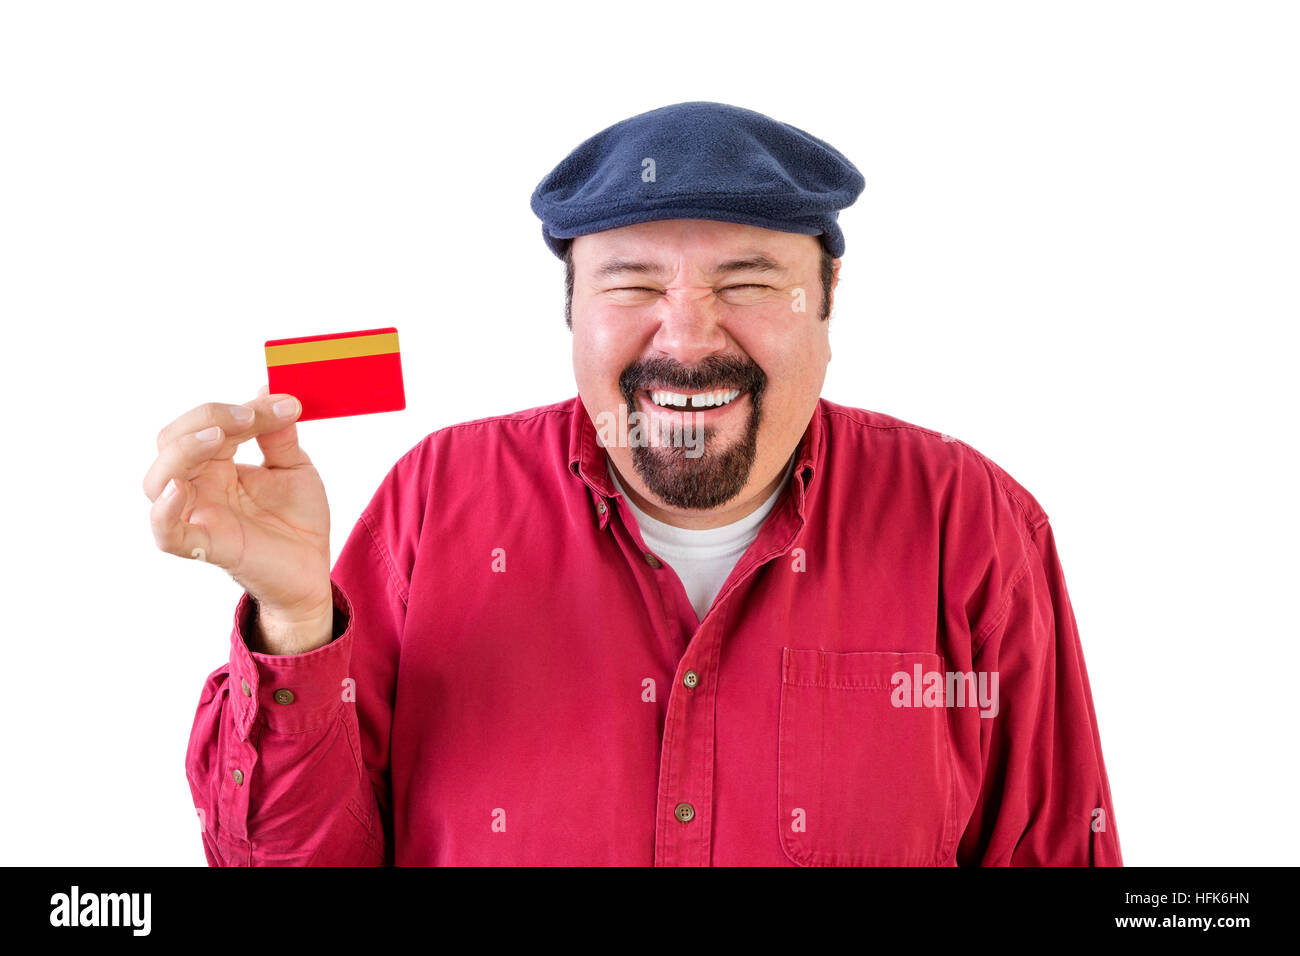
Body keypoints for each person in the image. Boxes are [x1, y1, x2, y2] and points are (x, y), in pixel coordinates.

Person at [144, 101, 1122, 866]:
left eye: (745, 281)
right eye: (633, 284)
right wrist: (292, 620)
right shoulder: (435, 498)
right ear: (571, 314)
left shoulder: (973, 519)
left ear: (827, 309)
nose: (688, 337)